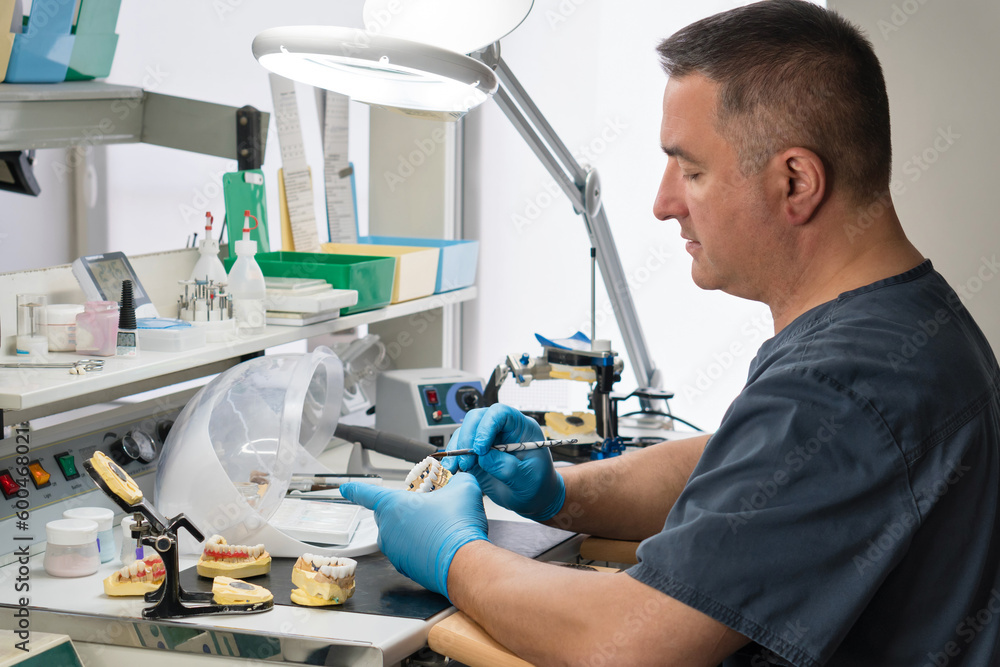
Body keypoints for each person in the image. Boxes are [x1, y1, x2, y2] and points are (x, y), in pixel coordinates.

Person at [341, 1, 1000, 664]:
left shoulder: (843, 384)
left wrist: (454, 555)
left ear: (796, 181)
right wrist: (561, 492)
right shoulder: (904, 324)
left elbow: (625, 643)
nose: (663, 203)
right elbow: (745, 471)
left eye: (691, 170)